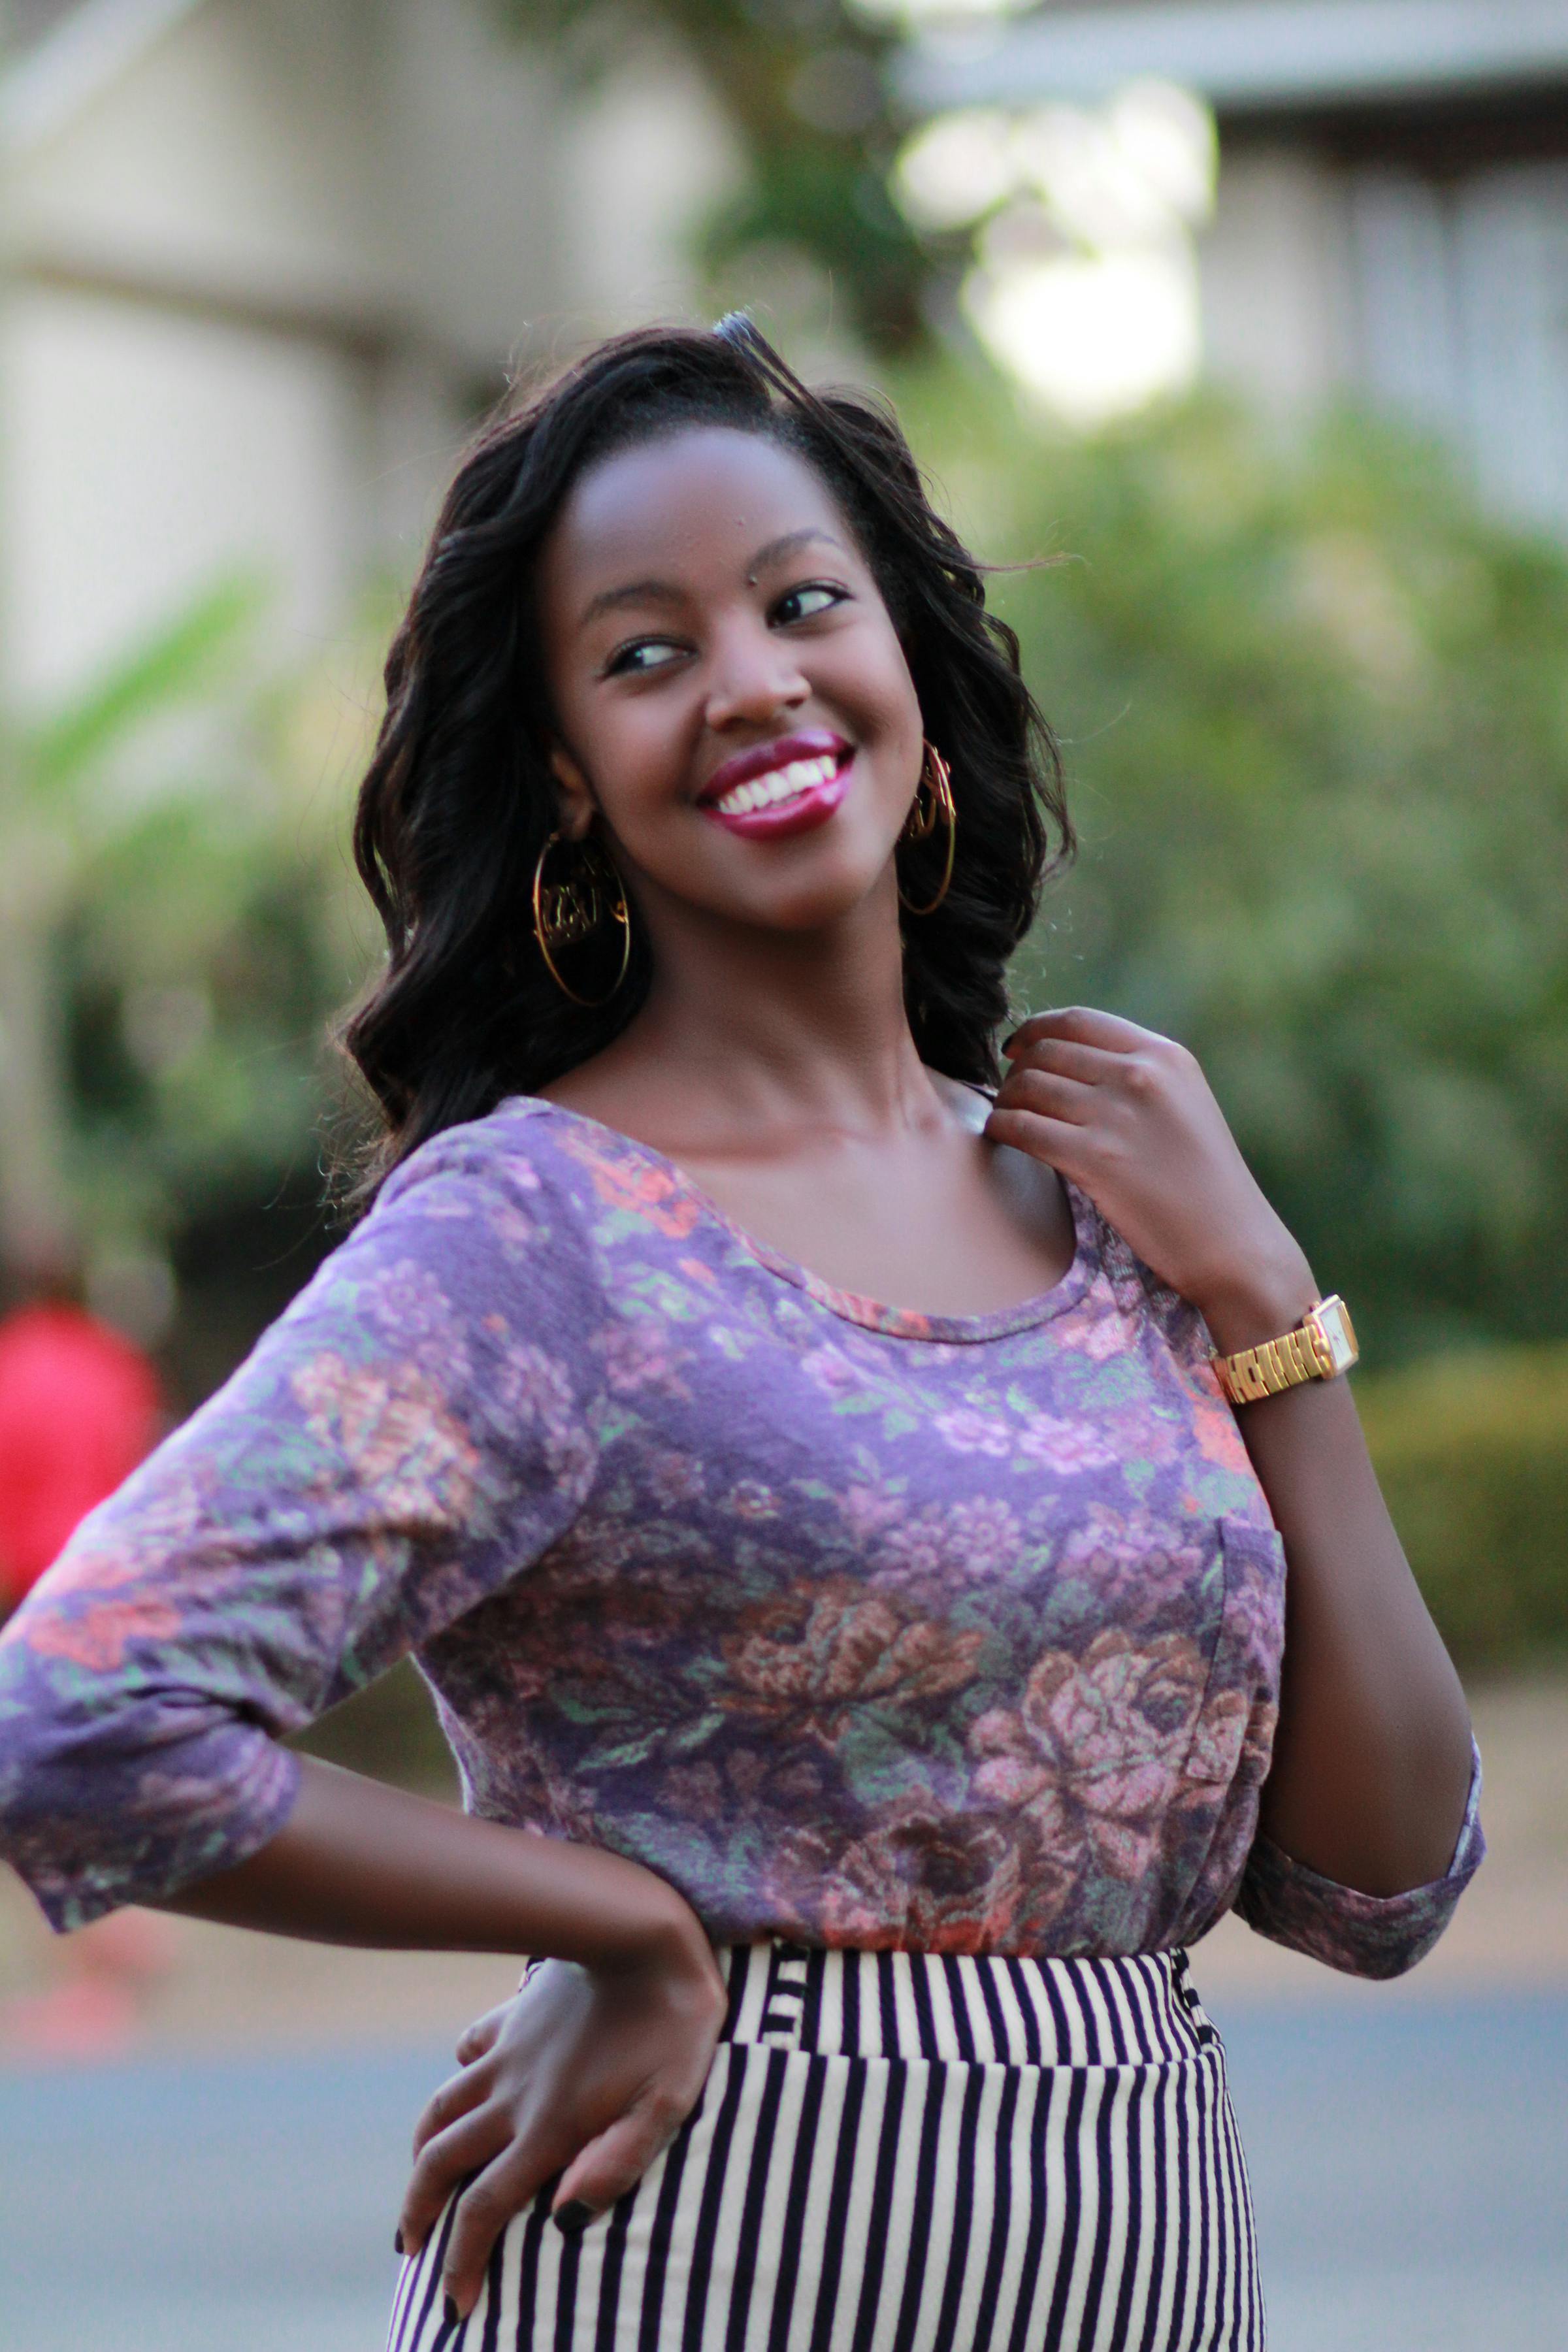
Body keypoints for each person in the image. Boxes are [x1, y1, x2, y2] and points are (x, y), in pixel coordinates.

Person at [0, 321, 1481, 2350]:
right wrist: (615, 1926)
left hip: (1150, 2263)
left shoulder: (1119, 1197)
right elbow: (75, 1723)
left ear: (908, 665)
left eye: (801, 605)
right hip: (700, 2262)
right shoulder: (539, 1236)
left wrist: (1266, 1312)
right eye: (645, 652)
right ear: (566, 772)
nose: (753, 680)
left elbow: (1381, 1890)